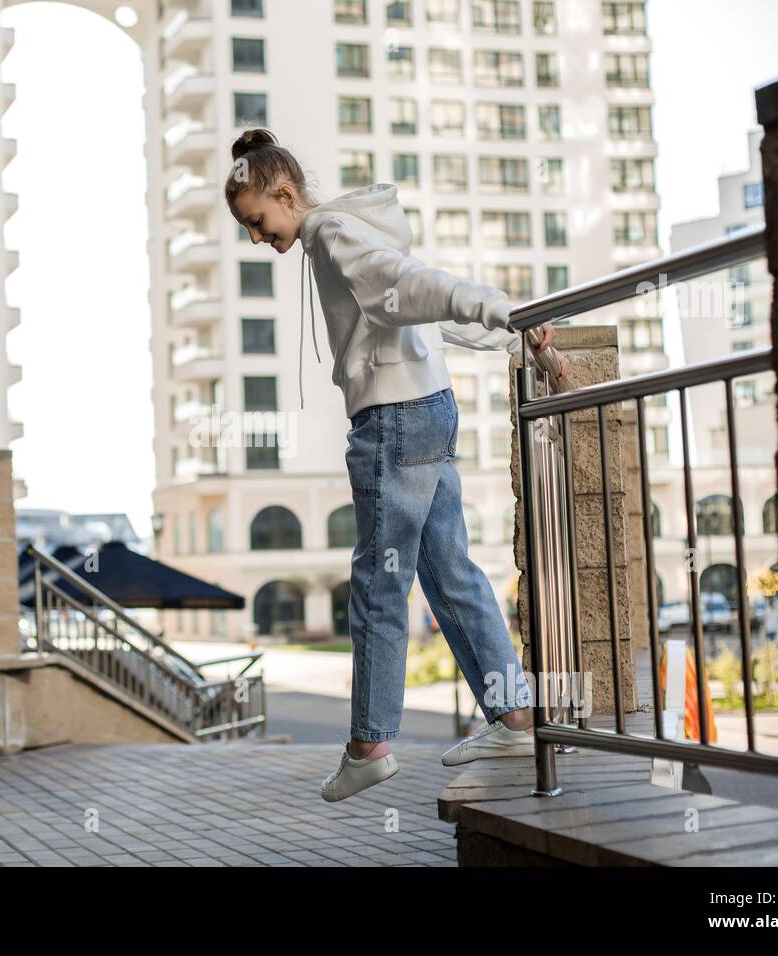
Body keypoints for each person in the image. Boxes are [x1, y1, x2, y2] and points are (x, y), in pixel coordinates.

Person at [224, 129, 569, 801]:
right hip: (429, 410)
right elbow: (417, 312)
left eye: (258, 221)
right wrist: (510, 333)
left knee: (380, 585)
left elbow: (413, 286)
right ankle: (515, 718)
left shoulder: (333, 236)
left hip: (392, 421)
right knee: (449, 571)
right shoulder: (350, 234)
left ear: (286, 194)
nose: (258, 238)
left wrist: (504, 312)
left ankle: (369, 744)